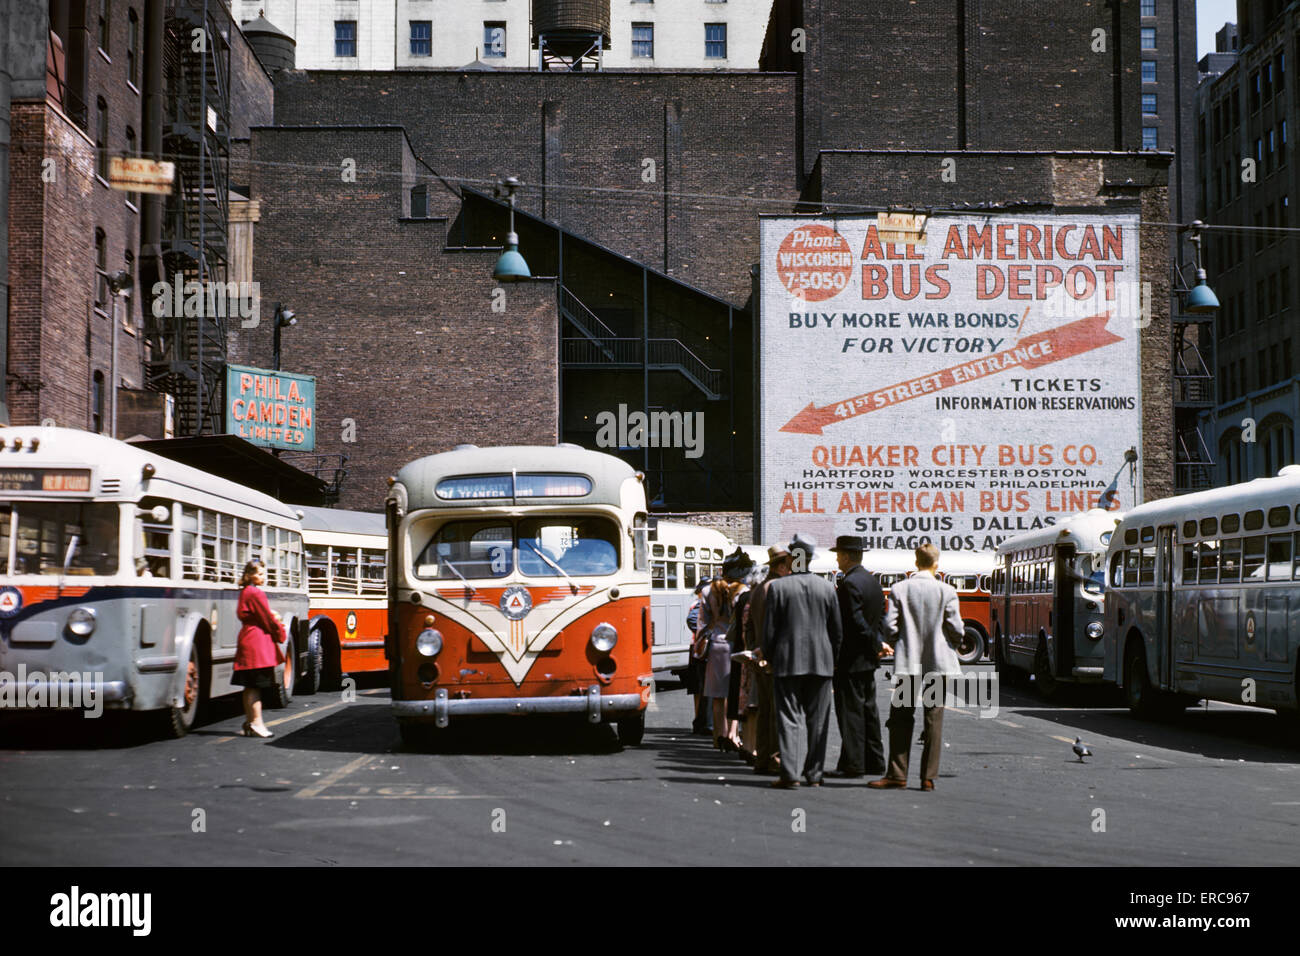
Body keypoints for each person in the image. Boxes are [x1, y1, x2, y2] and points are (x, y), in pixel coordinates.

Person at [869, 543, 965, 792]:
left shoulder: (900, 589)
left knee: (900, 717)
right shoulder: (947, 590)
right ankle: (928, 778)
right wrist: (951, 645)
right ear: (936, 563)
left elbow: (890, 626)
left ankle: (897, 774)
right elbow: (956, 628)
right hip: (937, 664)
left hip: (908, 664)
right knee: (933, 719)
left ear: (916, 562)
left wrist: (894, 642)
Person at [761, 534, 842, 789]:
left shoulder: (778, 588)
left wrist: (770, 657)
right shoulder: (827, 588)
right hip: (822, 663)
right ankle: (815, 774)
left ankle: (790, 774)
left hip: (787, 663)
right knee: (818, 722)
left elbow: (769, 631)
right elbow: (836, 632)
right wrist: (833, 660)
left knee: (789, 719)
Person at [829, 535, 891, 779]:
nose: (836, 559)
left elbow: (854, 622)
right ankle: (875, 761)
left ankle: (853, 763)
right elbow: (880, 618)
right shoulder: (872, 582)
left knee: (850, 712)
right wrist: (878, 642)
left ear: (846, 556)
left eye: (838, 554)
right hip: (868, 658)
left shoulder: (849, 584)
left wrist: (874, 642)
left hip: (851, 658)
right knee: (869, 710)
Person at [744, 544, 791, 775]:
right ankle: (774, 758)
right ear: (781, 566)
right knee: (776, 711)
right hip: (775, 657)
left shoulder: (759, 588)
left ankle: (762, 757)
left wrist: (755, 650)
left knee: (763, 710)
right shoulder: (779, 588)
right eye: (789, 566)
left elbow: (749, 627)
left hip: (760, 656)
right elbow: (778, 626)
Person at [699, 553, 750, 751]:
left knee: (717, 695)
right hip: (736, 645)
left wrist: (700, 645)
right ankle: (733, 734)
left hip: (716, 645)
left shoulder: (707, 591)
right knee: (735, 693)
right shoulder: (743, 591)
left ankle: (718, 735)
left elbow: (702, 623)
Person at [233, 559, 287, 739]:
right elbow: (267, 619)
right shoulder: (256, 593)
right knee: (257, 686)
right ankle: (257, 722)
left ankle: (250, 722)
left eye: (264, 573)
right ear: (249, 575)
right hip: (258, 644)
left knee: (249, 686)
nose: (263, 577)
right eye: (260, 574)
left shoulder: (244, 592)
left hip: (247, 640)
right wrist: (280, 633)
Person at [685, 580, 712, 735]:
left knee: (698, 687)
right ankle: (699, 720)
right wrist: (704, 632)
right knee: (699, 687)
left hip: (697, 646)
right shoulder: (699, 604)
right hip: (699, 648)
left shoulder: (699, 602)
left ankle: (699, 719)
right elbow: (692, 621)